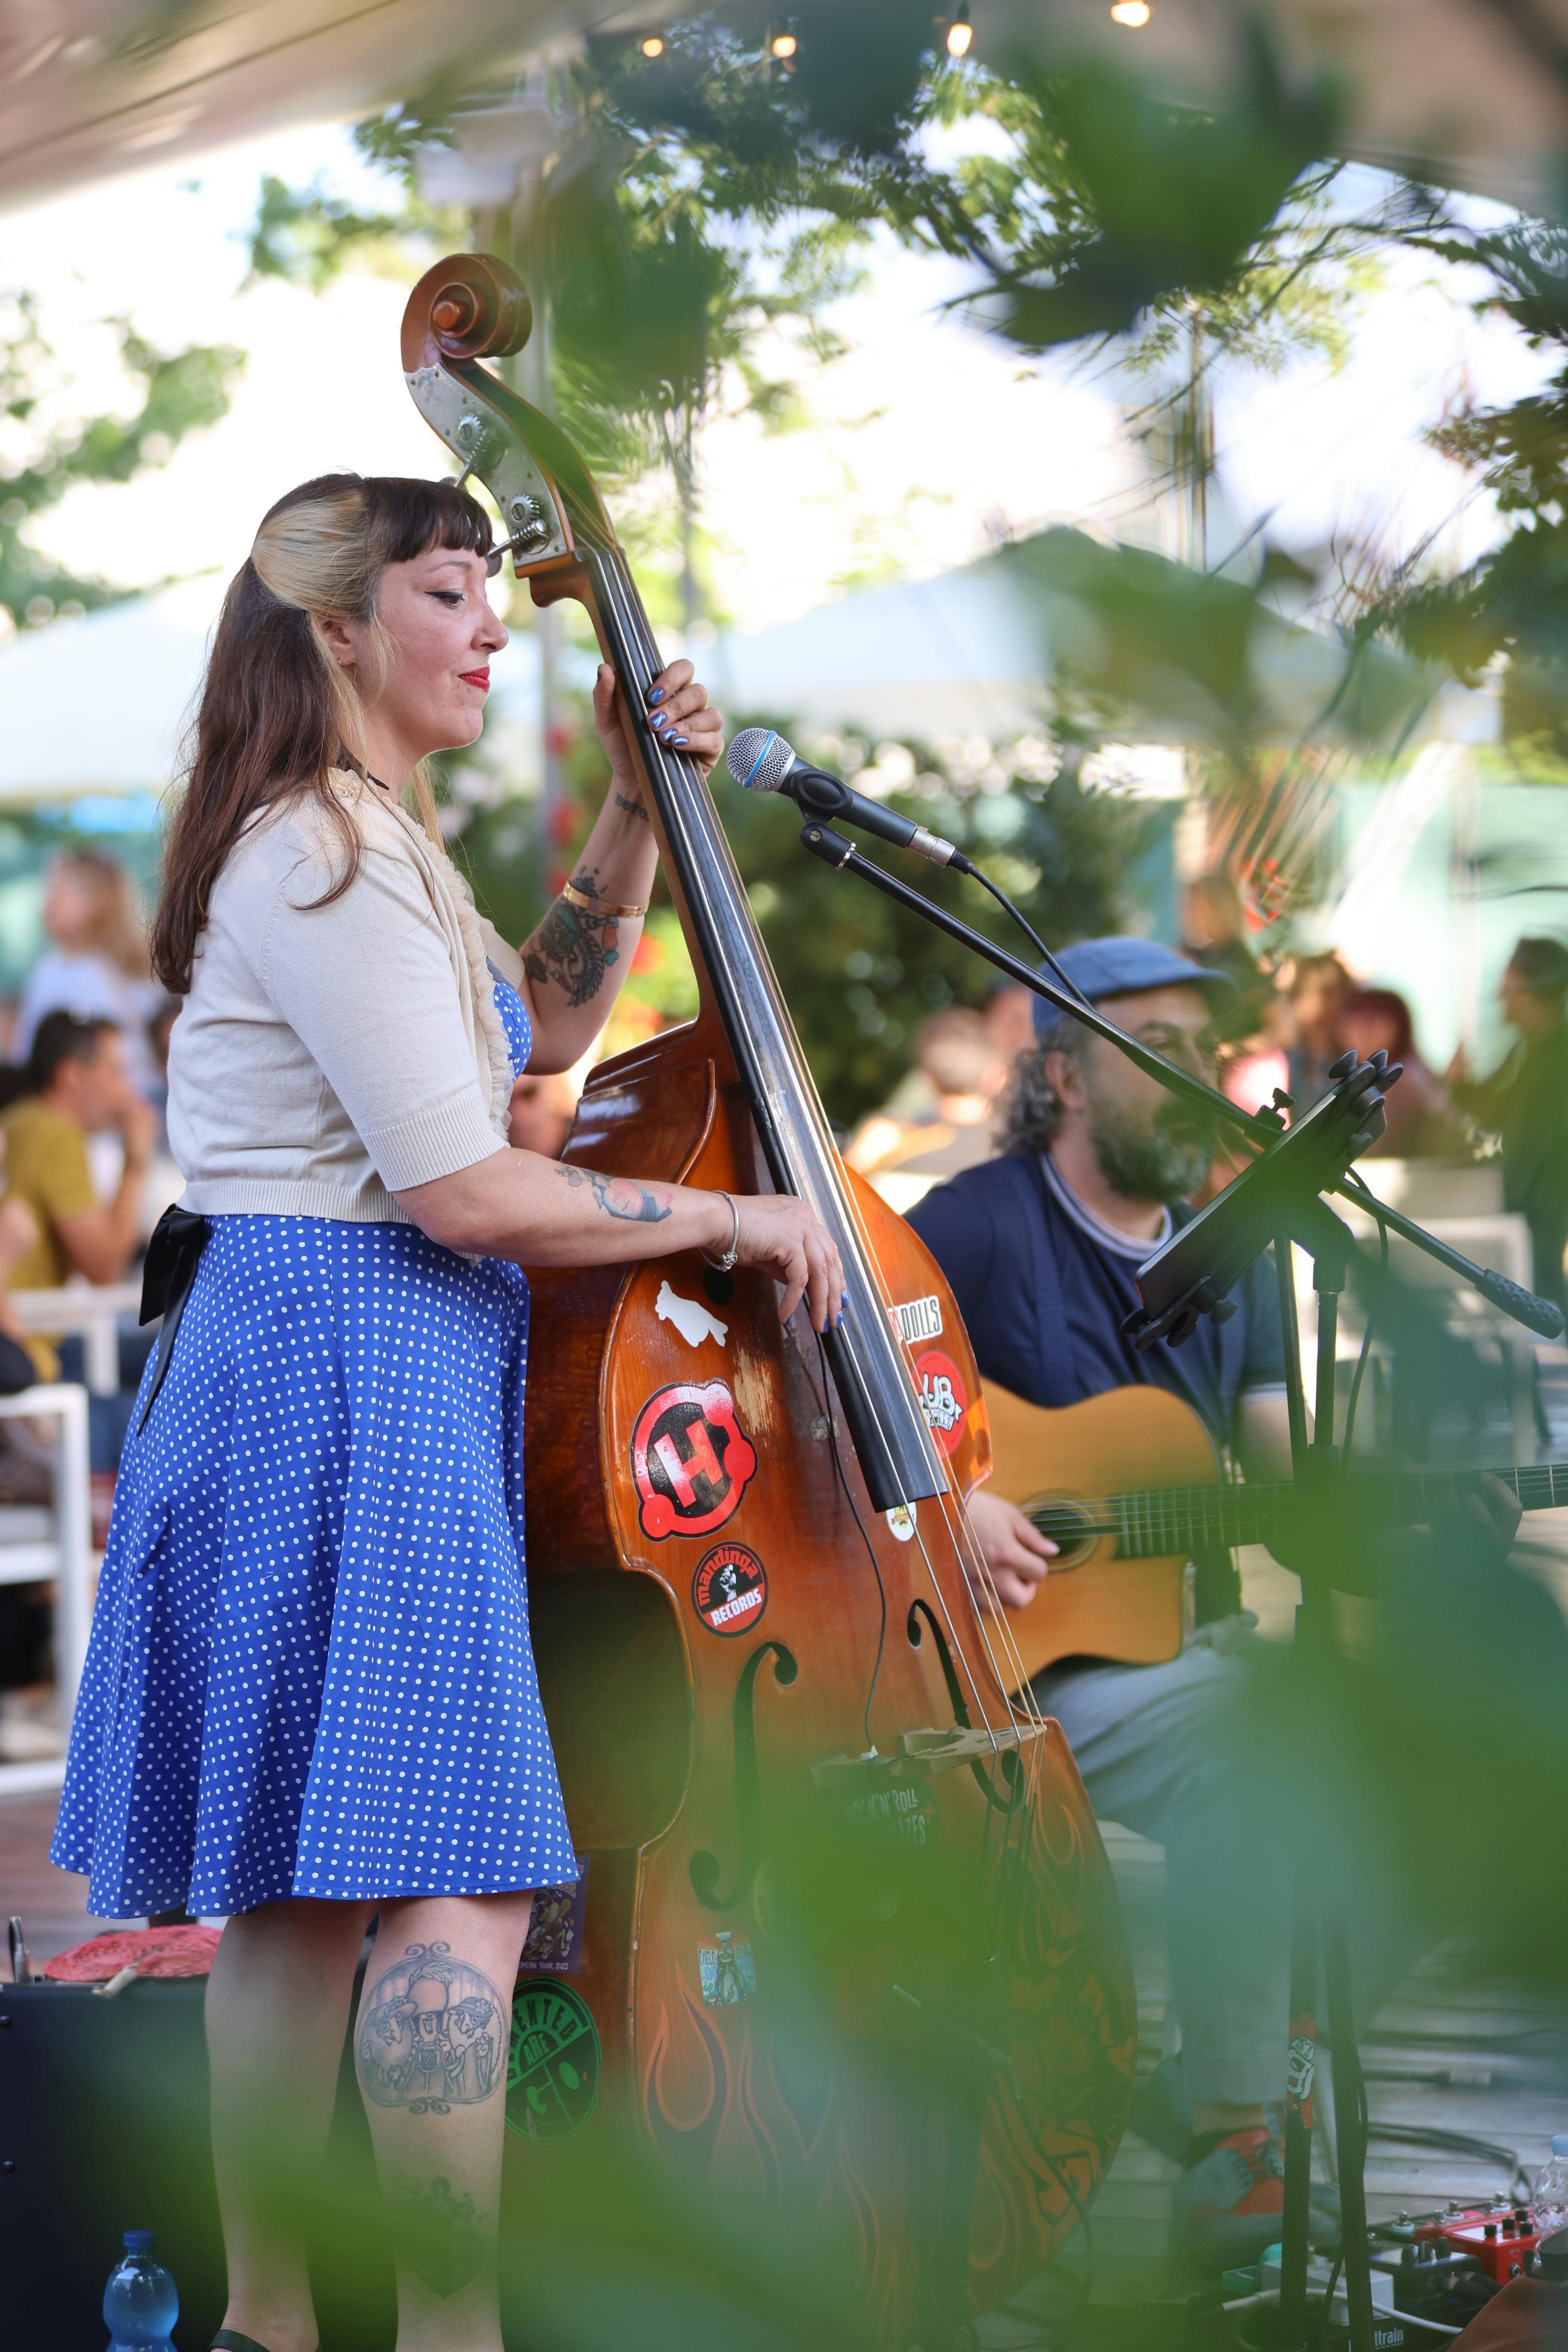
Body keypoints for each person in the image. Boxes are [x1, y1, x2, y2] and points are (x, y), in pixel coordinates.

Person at [49, 474, 842, 2352]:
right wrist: (740, 1210)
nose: (494, 624)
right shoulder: (322, 851)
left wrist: (640, 810)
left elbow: (540, 1025)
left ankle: (273, 2323)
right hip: (346, 1341)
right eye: (449, 588)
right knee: (454, 1876)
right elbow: (469, 1187)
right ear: (340, 630)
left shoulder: (365, 838)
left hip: (332, 1349)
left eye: (496, 588)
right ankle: (434, 2328)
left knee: (314, 1890)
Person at [906, 938, 1357, 2261]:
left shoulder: (1246, 1249)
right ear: (1063, 1074)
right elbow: (837, 1394)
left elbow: (1287, 1494)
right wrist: (957, 1502)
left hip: (1167, 1655)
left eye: (1203, 1049)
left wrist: (1404, 1528)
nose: (1194, 1075)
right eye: (1154, 1046)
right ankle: (1230, 2135)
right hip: (980, 1676)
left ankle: (1221, 2108)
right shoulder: (975, 1228)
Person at [0, 1010, 156, 1375]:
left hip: (29, 1334)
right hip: (30, 1347)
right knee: (182, 1357)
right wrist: (135, 1163)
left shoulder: (21, 1119)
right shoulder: (56, 1136)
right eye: (117, 1072)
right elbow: (104, 1268)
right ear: (71, 1076)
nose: (127, 1092)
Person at [1450, 936, 1568, 1316]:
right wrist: (1461, 1086)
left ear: (1521, 984)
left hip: (1551, 1215)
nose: (1501, 992)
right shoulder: (1530, 1049)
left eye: (1509, 980)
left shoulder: (1555, 1055)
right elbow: (1496, 1110)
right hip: (1535, 1213)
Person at [15, 848, 164, 1101]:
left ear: (95, 901)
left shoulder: (108, 972)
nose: (48, 905)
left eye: (60, 892)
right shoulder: (53, 967)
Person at [847, 1008, 1008, 1190]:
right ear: (998, 1074)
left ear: (928, 1076)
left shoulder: (885, 1146)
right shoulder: (1015, 1149)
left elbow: (836, 1198)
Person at [1340, 987, 1466, 1161]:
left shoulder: (1404, 1079)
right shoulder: (1359, 1076)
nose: (1363, 1030)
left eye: (1374, 1019)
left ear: (1399, 1026)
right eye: (1354, 1019)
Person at [1180, 872, 1274, 1044]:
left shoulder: (1238, 961)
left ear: (1218, 908)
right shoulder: (1200, 955)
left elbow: (1279, 1030)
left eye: (1195, 907)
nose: (1188, 916)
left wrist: (1230, 1050)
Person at [1286, 952, 1352, 1112]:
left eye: (1339, 994)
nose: (1335, 1003)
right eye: (1325, 993)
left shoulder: (1347, 1067)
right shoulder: (1279, 1059)